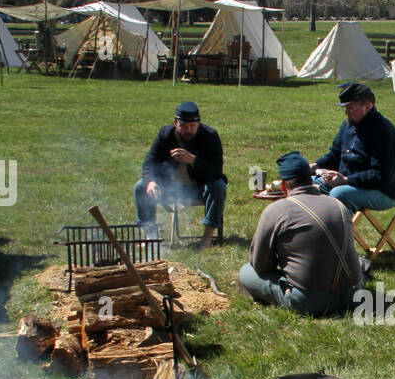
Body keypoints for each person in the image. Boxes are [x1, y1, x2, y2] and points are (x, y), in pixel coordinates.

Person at [239, 151, 362, 315]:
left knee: (246, 271)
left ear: (283, 186)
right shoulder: (338, 204)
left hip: (309, 301)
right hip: (353, 295)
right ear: (310, 180)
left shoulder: (276, 210)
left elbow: (260, 264)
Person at [134, 101, 227, 249]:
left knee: (218, 186)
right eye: (184, 126)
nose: (188, 130)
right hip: (170, 187)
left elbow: (215, 171)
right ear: (175, 122)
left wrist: (193, 160)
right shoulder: (165, 134)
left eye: (192, 126)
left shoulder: (210, 136)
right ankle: (150, 235)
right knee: (140, 186)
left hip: (198, 188)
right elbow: (150, 162)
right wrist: (151, 181)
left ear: (199, 123)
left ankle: (207, 237)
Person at [312, 82, 395, 214]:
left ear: (367, 106)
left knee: (339, 193)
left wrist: (345, 180)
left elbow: (381, 176)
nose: (346, 113)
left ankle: (340, 233)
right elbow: (335, 155)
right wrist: (314, 166)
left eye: (350, 108)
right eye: (345, 108)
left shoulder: (383, 131)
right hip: (348, 183)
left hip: (382, 192)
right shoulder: (348, 124)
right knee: (305, 184)